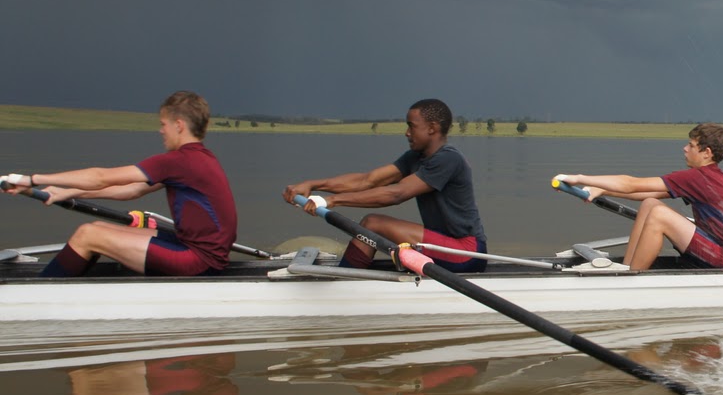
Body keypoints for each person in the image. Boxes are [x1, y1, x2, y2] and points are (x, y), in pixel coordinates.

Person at [2, 90, 238, 278]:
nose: (160, 130)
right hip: (202, 252)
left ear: (179, 125)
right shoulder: (201, 158)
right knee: (99, 228)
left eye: (163, 124)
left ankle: (42, 294)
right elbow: (131, 190)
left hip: (199, 261)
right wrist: (66, 192)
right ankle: (68, 283)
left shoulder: (179, 161)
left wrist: (33, 179)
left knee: (87, 234)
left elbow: (100, 177)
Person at [283, 98, 488, 273]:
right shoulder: (414, 158)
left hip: (465, 252)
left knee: (373, 224)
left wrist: (331, 200)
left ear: (432, 128)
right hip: (439, 245)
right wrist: (312, 184)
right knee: (371, 225)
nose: (407, 133)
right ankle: (349, 275)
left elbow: (396, 194)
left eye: (412, 126)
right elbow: (368, 180)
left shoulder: (448, 160)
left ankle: (346, 280)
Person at [557, 123, 723, 271]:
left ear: (707, 153)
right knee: (650, 204)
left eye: (691, 145)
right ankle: (627, 268)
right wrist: (602, 190)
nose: (685, 148)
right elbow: (646, 193)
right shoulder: (707, 177)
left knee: (659, 215)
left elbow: (631, 184)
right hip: (717, 250)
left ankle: (633, 279)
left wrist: (578, 178)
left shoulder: (700, 177)